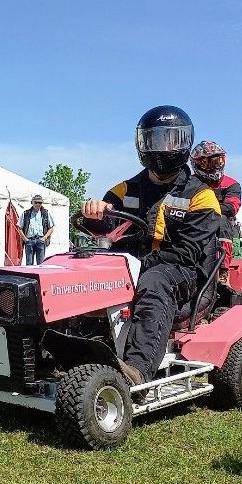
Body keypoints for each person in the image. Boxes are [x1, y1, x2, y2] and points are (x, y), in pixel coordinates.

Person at [81, 105, 220, 387]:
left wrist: (137, 265)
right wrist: (94, 215)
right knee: (83, 268)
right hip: (130, 265)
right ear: (142, 143)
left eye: (170, 139)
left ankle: (137, 370)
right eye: (155, 140)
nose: (162, 148)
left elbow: (186, 253)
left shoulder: (202, 196)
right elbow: (106, 226)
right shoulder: (125, 189)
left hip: (183, 274)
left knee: (155, 280)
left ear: (184, 142)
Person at [189, 141, 241, 283]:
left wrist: (204, 209)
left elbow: (231, 208)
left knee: (223, 220)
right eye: (209, 162)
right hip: (192, 222)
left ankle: (223, 269)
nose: (216, 165)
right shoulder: (189, 182)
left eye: (219, 160)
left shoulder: (231, 184)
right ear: (198, 164)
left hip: (219, 224)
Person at [19, 194, 54, 265]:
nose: (38, 204)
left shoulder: (46, 213)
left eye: (40, 202)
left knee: (41, 264)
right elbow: (19, 227)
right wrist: (25, 239)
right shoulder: (26, 213)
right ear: (32, 202)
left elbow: (51, 227)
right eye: (36, 202)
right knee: (29, 264)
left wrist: (44, 238)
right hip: (29, 240)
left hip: (40, 240)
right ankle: (29, 276)